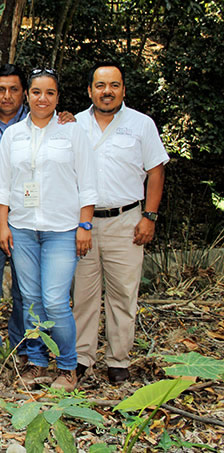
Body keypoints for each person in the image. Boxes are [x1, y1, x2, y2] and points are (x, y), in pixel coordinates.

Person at [0, 68, 97, 391]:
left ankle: (67, 366)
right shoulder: (13, 135)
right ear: (28, 96)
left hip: (62, 230)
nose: (42, 99)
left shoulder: (72, 132)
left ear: (58, 98)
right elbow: (2, 184)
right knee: (32, 301)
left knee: (54, 301)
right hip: (22, 229)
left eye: (50, 93)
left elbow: (89, 183)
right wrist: (2, 225)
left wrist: (85, 225)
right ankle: (37, 362)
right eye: (37, 92)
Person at [73, 61, 169, 384]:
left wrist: (149, 216)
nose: (107, 91)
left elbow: (156, 171)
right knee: (83, 293)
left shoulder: (142, 125)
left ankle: (118, 360)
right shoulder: (73, 125)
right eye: (100, 85)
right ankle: (82, 357)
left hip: (126, 220)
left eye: (114, 85)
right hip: (84, 222)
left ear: (123, 90)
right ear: (90, 90)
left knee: (123, 293)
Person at [0, 64, 74, 353]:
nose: (7, 95)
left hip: (30, 220)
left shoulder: (54, 124)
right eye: (1, 89)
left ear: (25, 93)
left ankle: (24, 345)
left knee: (26, 291)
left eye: (14, 89)